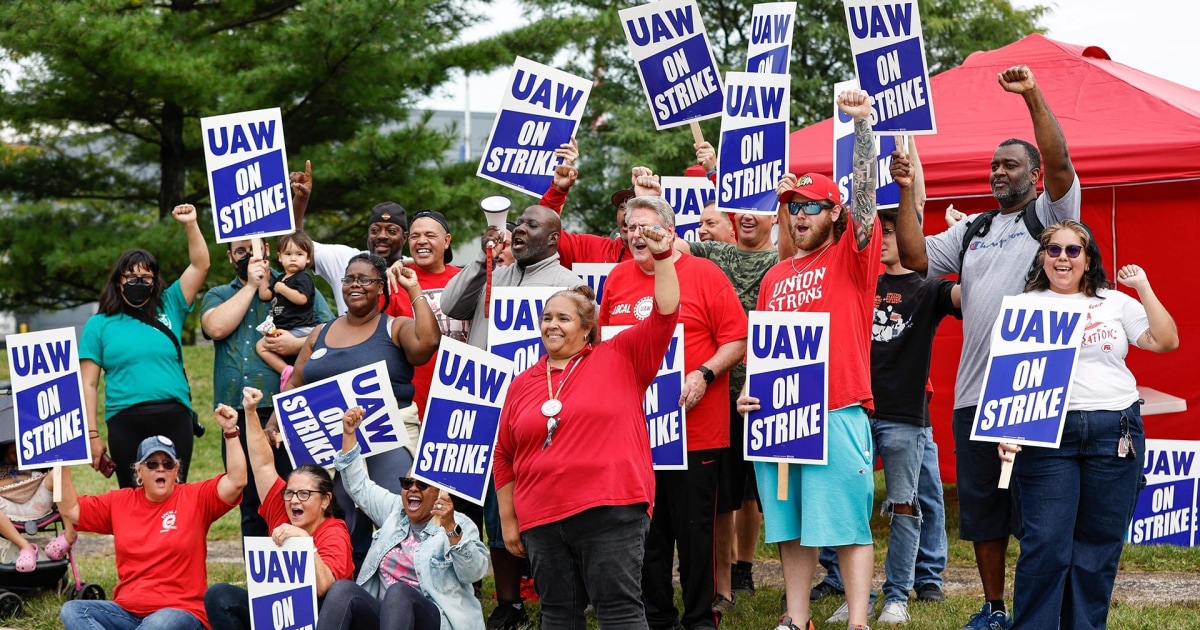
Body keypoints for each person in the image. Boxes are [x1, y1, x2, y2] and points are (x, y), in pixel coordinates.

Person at [891, 63, 1081, 630]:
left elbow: (1064, 165)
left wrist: (1031, 96)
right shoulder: (972, 230)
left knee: (1041, 512)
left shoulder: (1048, 219)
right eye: (994, 165)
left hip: (1033, 390)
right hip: (974, 395)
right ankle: (995, 608)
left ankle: (1042, 607)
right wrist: (906, 191)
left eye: (1010, 165)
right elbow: (915, 255)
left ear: (1032, 172)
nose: (999, 172)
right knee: (984, 512)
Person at [494, 216, 680, 629]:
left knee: (619, 611)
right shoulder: (523, 382)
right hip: (541, 519)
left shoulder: (620, 357)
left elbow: (666, 313)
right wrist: (510, 520)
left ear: (587, 327)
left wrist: (664, 256)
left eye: (562, 318)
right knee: (558, 614)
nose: (551, 325)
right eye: (546, 318)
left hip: (610, 510)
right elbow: (504, 454)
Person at [738, 89, 880, 630]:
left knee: (846, 525)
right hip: (781, 418)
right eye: (792, 207)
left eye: (810, 207)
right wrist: (755, 391)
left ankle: (858, 621)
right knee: (790, 527)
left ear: (833, 212)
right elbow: (768, 346)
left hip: (839, 408)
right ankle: (796, 620)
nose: (799, 215)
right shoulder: (774, 276)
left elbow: (866, 202)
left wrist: (863, 126)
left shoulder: (852, 258)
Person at [997, 220, 1177, 629]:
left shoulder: (1114, 302)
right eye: (1054, 250)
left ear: (1089, 258)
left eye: (1073, 250)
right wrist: (1004, 434)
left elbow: (1166, 341)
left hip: (1114, 431)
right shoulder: (1024, 305)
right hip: (1047, 436)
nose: (1063, 258)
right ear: (1042, 258)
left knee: (1098, 547)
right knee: (1045, 545)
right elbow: (1010, 378)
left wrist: (1144, 288)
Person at [600, 186, 748, 630]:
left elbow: (737, 339)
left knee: (695, 531)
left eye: (646, 228)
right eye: (629, 228)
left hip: (696, 429)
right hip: (636, 435)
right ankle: (657, 616)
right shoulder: (618, 278)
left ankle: (700, 617)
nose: (636, 236)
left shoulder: (703, 273)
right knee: (647, 532)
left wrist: (704, 374)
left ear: (670, 232)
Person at [441, 204, 583, 630]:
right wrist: (482, 261)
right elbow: (450, 304)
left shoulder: (570, 285)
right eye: (517, 224)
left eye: (530, 225)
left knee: (544, 512)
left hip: (542, 412)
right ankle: (509, 603)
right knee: (492, 511)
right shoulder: (495, 275)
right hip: (487, 409)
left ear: (554, 238)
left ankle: (561, 598)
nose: (519, 229)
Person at [269, 253, 440, 574]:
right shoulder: (320, 332)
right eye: (349, 279)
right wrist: (273, 422)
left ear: (381, 289)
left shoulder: (394, 327)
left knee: (400, 513)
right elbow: (295, 381)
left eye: (365, 279)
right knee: (340, 519)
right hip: (331, 441)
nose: (355, 285)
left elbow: (428, 342)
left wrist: (414, 288)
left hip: (387, 437)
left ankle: (402, 593)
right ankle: (344, 594)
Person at [201, 238, 334, 537]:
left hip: (288, 406)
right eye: (240, 251)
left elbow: (331, 331)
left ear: (268, 251)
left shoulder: (296, 283)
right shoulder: (218, 294)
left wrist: (297, 343)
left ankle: (304, 575)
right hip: (238, 413)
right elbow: (216, 328)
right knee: (250, 499)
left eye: (254, 249)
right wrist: (251, 285)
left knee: (297, 495)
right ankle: (259, 580)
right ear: (229, 256)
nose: (248, 255)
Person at [58, 426, 246, 629]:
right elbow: (71, 509)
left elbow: (237, 481)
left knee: (159, 623)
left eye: (168, 464)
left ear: (176, 470)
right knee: (73, 610)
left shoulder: (195, 498)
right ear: (139, 471)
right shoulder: (120, 502)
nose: (160, 469)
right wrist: (59, 461)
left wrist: (230, 432)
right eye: (152, 463)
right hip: (127, 612)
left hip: (181, 612)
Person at [319, 405, 488, 630]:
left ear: (438, 492)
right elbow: (359, 486)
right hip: (389, 618)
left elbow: (474, 572)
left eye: (422, 484)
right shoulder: (394, 511)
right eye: (407, 483)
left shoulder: (459, 524)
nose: (412, 489)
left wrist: (450, 528)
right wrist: (349, 434)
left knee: (399, 593)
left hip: (437, 620)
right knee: (342, 590)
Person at [81, 203, 210, 489]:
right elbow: (88, 384)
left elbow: (200, 265)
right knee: (132, 497)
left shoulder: (171, 304)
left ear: (154, 283)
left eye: (146, 277)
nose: (138, 282)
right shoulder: (99, 325)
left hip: (174, 415)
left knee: (175, 494)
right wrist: (92, 436)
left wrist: (190, 224)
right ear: (118, 281)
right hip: (124, 419)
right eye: (131, 277)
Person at [205, 387, 355, 629]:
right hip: (276, 614)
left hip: (319, 619)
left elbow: (324, 589)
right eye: (290, 493)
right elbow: (263, 464)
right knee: (219, 595)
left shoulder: (334, 531)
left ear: (325, 500)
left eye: (305, 494)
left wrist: (306, 542)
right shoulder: (281, 508)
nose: (294, 500)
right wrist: (251, 411)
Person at [256, 230, 320, 385]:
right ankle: (286, 371)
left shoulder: (303, 277)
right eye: (288, 254)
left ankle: (296, 373)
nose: (293, 258)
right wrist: (265, 275)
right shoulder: (280, 278)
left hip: (300, 328)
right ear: (279, 257)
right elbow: (264, 294)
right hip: (284, 328)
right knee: (260, 346)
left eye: (299, 254)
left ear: (308, 258)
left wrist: (282, 288)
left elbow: (302, 298)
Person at [0, 442, 77, 571]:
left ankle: (70, 535)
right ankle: (25, 547)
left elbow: (29, 475)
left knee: (59, 472)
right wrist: (15, 477)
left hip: (38, 500)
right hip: (7, 509)